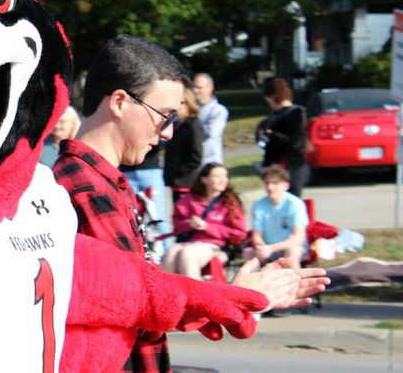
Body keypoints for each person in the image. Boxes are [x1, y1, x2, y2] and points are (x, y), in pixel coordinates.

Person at [53, 35, 326, 372]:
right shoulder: (80, 188)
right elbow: (137, 299)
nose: (167, 132)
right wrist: (233, 297)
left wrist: (233, 299)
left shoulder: (105, 182)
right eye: (163, 115)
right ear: (120, 102)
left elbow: (145, 294)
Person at [162, 163, 247, 279]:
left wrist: (208, 227)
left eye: (225, 176)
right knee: (171, 252)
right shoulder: (189, 199)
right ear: (205, 179)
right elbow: (177, 224)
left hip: (216, 245)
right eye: (217, 177)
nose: (223, 180)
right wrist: (189, 224)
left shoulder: (231, 202)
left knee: (187, 254)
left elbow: (240, 233)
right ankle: (168, 294)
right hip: (191, 241)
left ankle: (196, 295)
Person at [243, 165, 308, 267]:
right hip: (268, 246)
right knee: (248, 254)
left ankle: (295, 280)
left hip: (290, 245)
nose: (270, 187)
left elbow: (298, 237)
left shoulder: (295, 204)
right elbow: (256, 235)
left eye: (275, 183)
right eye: (267, 183)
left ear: (285, 186)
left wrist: (271, 248)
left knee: (292, 253)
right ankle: (250, 282)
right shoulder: (258, 205)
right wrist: (261, 247)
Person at [257, 77, 310, 196]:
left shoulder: (296, 113)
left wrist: (272, 135)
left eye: (269, 100)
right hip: (274, 167)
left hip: (292, 166)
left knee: (291, 201)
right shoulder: (273, 116)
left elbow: (296, 143)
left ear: (273, 97)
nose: (269, 103)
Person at [163, 87, 203, 202]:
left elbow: (196, 156)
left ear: (189, 104)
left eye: (181, 103)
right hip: (175, 181)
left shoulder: (193, 125)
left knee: (186, 216)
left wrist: (178, 170)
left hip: (186, 181)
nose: (177, 107)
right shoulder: (177, 125)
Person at [193, 73, 229, 166]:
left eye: (199, 87)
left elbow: (211, 132)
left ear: (210, 88)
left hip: (209, 162)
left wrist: (187, 130)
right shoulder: (189, 109)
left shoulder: (218, 110)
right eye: (194, 87)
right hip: (190, 162)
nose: (195, 90)